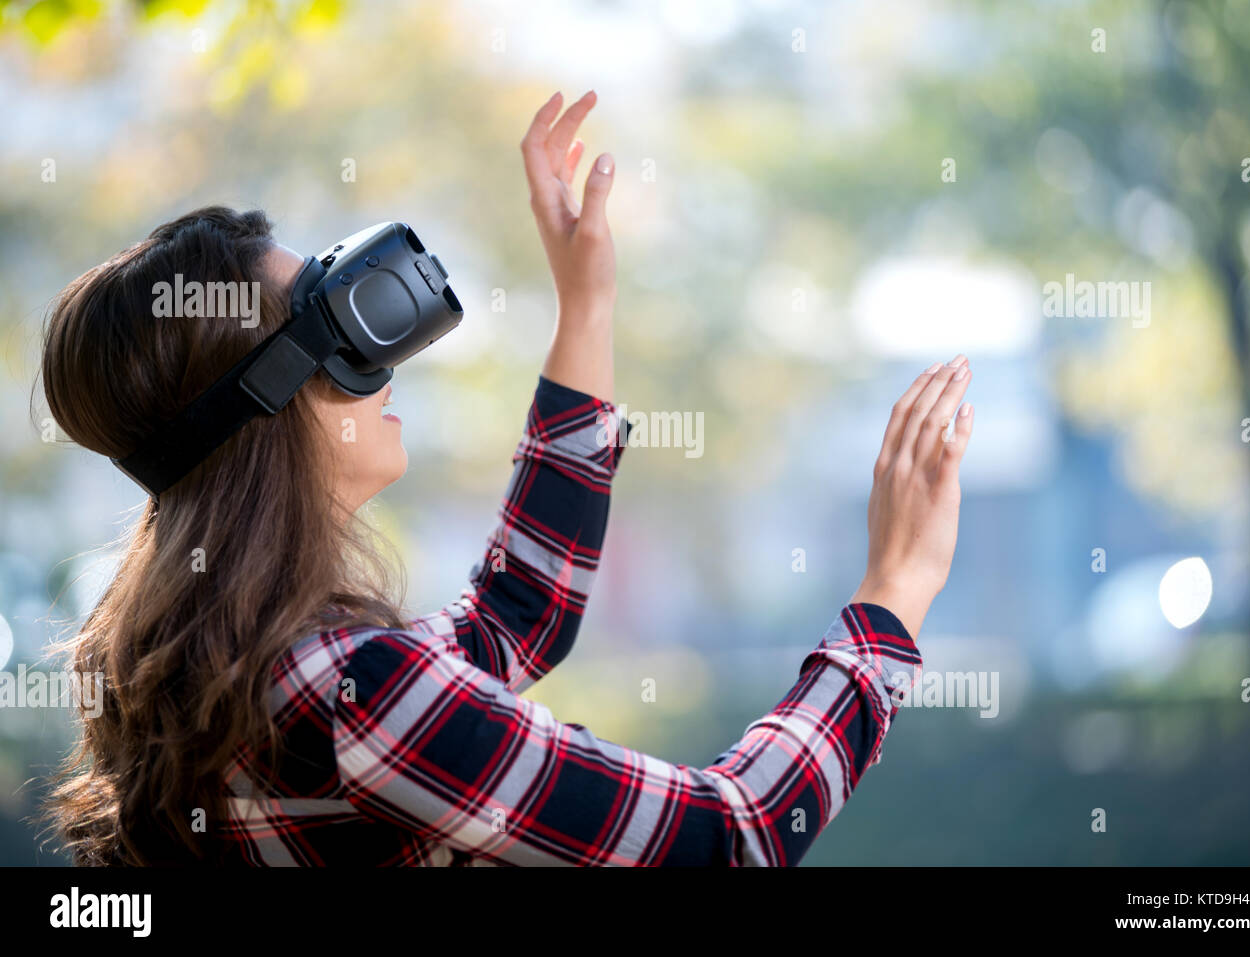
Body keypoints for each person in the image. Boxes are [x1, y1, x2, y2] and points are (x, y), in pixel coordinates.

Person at [40, 91, 973, 866]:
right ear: (273, 394)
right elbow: (732, 837)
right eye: (350, 333)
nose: (392, 366)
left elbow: (515, 615)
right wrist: (892, 597)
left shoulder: (219, 674)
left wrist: (587, 306)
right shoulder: (357, 691)